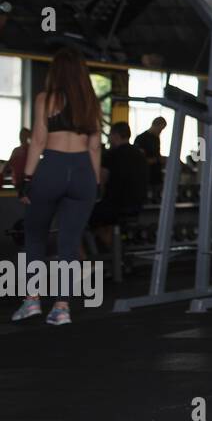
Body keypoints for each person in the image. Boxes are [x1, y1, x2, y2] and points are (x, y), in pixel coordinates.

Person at [11, 47, 102, 326]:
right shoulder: (90, 102)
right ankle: (62, 308)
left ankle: (32, 301)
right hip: (83, 171)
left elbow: (38, 141)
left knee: (35, 236)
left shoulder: (45, 99)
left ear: (56, 72)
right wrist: (95, 183)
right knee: (69, 243)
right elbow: (95, 145)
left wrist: (26, 181)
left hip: (52, 167)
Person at [89, 121, 148, 251]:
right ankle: (115, 254)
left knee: (83, 218)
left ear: (115, 135)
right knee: (107, 221)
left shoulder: (111, 155)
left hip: (115, 206)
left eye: (110, 135)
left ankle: (105, 255)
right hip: (137, 205)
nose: (109, 138)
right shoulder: (140, 154)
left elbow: (101, 181)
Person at [133, 116, 167, 190]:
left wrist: (162, 159)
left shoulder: (156, 138)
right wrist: (156, 160)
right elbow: (138, 160)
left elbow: (157, 154)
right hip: (146, 176)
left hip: (156, 175)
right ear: (154, 125)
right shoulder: (141, 138)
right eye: (160, 129)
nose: (160, 132)